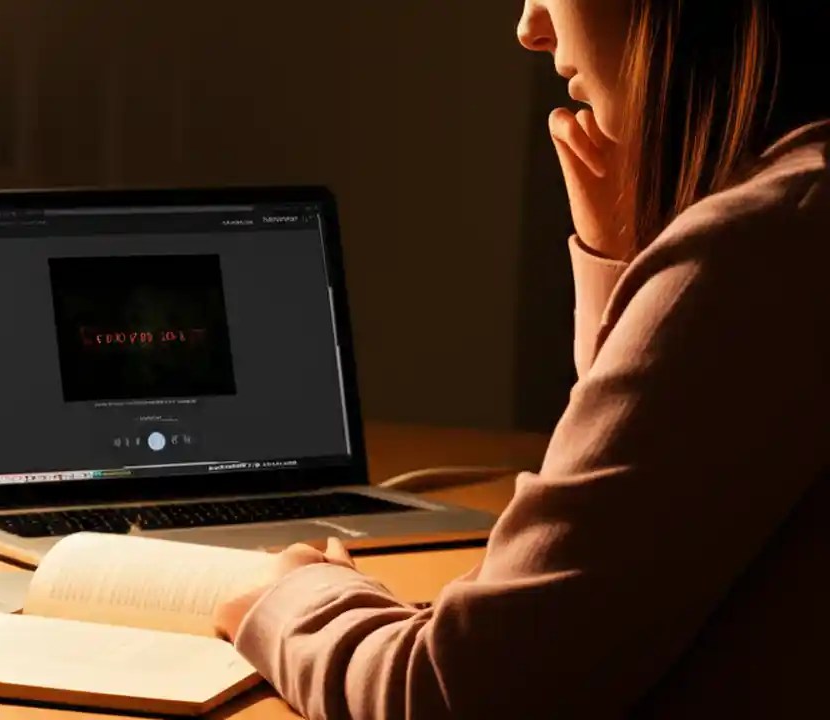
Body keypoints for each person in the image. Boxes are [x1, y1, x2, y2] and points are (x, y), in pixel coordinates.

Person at [213, 1, 830, 717]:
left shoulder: (762, 248)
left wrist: (293, 596)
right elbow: (635, 549)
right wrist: (624, 262)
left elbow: (447, 694)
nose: (531, 26)